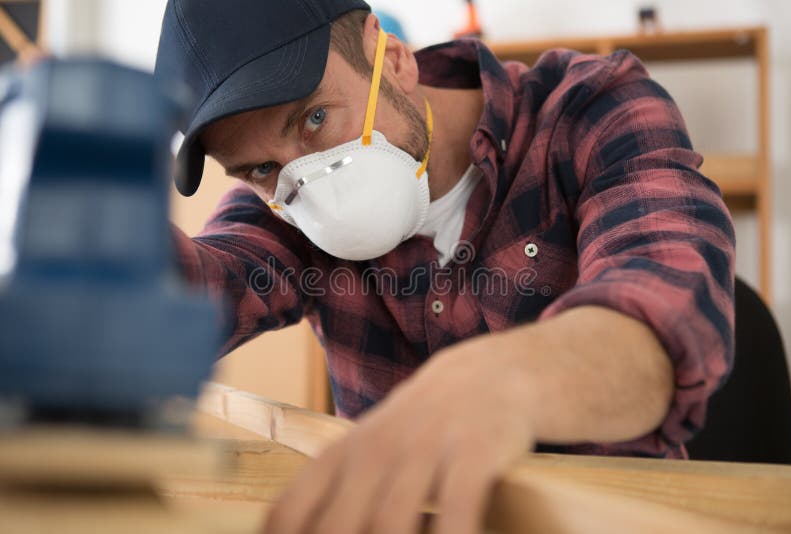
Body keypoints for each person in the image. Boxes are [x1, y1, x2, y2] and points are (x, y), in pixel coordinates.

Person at [154, 1, 735, 532]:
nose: (303, 184)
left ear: (395, 58)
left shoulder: (591, 111)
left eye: (313, 121)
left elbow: (669, 302)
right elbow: (203, 283)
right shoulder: (284, 204)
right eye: (259, 168)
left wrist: (507, 382)